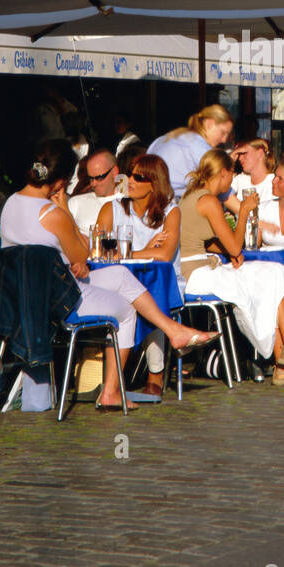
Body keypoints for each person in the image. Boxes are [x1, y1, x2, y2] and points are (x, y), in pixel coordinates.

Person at [2, 141, 215, 409]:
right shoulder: (53, 214)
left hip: (22, 293)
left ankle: (174, 331)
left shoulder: (10, 203)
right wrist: (67, 216)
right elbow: (84, 253)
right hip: (56, 297)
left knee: (119, 275)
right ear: (59, 182)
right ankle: (112, 391)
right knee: (126, 310)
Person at [177, 150, 284, 385]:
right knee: (268, 278)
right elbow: (235, 246)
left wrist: (226, 251)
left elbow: (204, 241)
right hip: (198, 275)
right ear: (223, 173)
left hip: (196, 268)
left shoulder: (191, 196)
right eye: (230, 175)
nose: (231, 182)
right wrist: (244, 211)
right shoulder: (209, 201)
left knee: (276, 273)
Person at [96, 153, 182, 398]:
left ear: (154, 184)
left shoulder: (170, 212)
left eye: (138, 176)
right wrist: (144, 252)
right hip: (118, 283)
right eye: (129, 174)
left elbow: (164, 256)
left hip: (161, 283)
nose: (129, 180)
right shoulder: (111, 209)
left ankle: (155, 375)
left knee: (150, 297)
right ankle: (114, 379)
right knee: (132, 298)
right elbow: (99, 251)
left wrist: (125, 254)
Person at [147, 104, 233, 197]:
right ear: (209, 124)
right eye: (223, 133)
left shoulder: (168, 137)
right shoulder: (200, 147)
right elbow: (223, 190)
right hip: (168, 203)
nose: (224, 140)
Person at [68, 147, 118, 229]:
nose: (94, 184)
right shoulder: (76, 202)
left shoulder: (127, 202)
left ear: (114, 172)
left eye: (99, 177)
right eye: (91, 178)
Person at [226, 138, 276, 215]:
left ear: (260, 153)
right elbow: (219, 189)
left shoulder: (274, 182)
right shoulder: (241, 179)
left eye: (244, 153)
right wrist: (230, 161)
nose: (240, 158)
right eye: (239, 154)